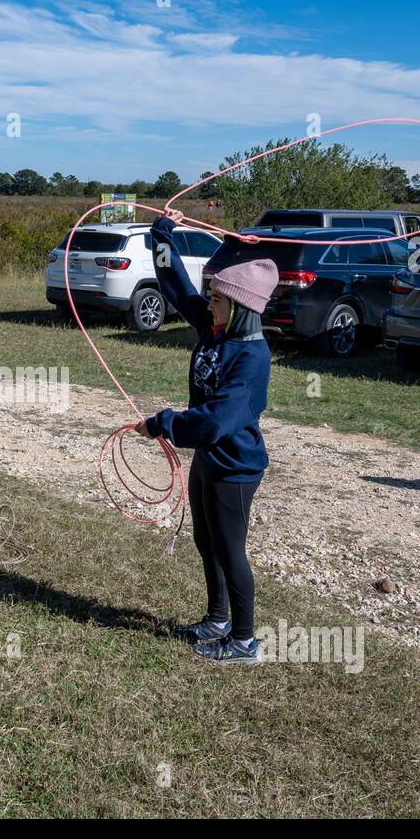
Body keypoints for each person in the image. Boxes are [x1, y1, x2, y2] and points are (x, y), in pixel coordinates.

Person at [134, 209, 277, 665]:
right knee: (205, 540)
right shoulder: (214, 331)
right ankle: (216, 619)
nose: (207, 302)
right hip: (209, 461)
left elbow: (217, 421)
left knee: (231, 550)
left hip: (235, 467)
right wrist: (162, 236)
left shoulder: (251, 358)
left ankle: (243, 641)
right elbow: (175, 287)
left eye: (216, 298)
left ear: (239, 307)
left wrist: (164, 422)